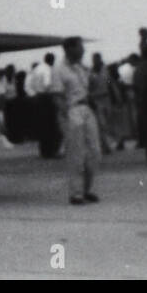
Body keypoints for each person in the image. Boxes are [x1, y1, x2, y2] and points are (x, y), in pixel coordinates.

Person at [51, 37, 100, 204]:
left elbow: (88, 87)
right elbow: (57, 96)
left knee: (94, 151)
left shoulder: (80, 68)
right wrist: (66, 115)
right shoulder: (59, 69)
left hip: (86, 108)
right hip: (72, 110)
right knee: (76, 153)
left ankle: (86, 189)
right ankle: (76, 192)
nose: (83, 51)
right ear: (69, 49)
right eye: (80, 48)